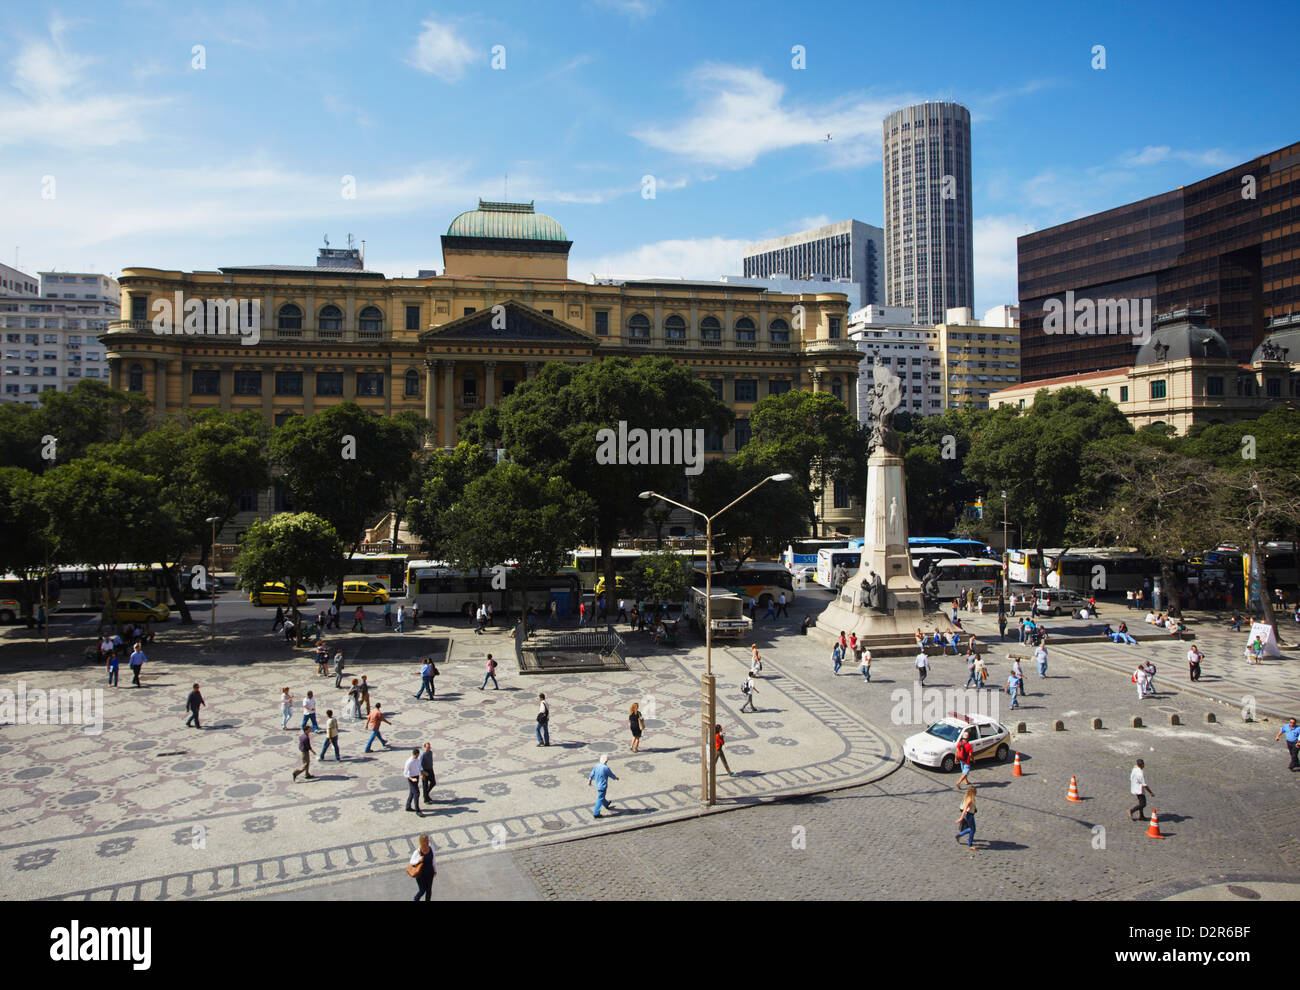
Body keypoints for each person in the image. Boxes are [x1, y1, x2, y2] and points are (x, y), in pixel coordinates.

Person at [589, 753, 618, 818]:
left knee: (601, 796)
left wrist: (590, 780)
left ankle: (606, 803)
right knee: (600, 798)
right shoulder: (606, 768)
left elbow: (592, 773)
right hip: (603, 786)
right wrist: (616, 778)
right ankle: (596, 813)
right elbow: (611, 775)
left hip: (597, 784)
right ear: (606, 761)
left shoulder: (596, 766)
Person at [409, 834, 436, 901]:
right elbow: (411, 862)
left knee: (429, 890)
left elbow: (434, 860)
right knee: (422, 890)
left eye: (427, 840)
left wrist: (435, 870)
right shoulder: (417, 852)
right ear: (421, 842)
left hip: (430, 872)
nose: (426, 842)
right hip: (421, 874)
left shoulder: (431, 848)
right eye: (425, 841)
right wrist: (418, 860)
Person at [404, 748, 423, 815]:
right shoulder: (409, 762)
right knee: (416, 793)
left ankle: (408, 806)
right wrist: (411, 779)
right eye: (417, 755)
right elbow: (405, 773)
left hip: (416, 776)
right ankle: (417, 810)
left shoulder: (418, 759)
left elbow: (419, 766)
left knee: (412, 792)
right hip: (411, 778)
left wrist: (422, 772)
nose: (418, 757)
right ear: (414, 754)